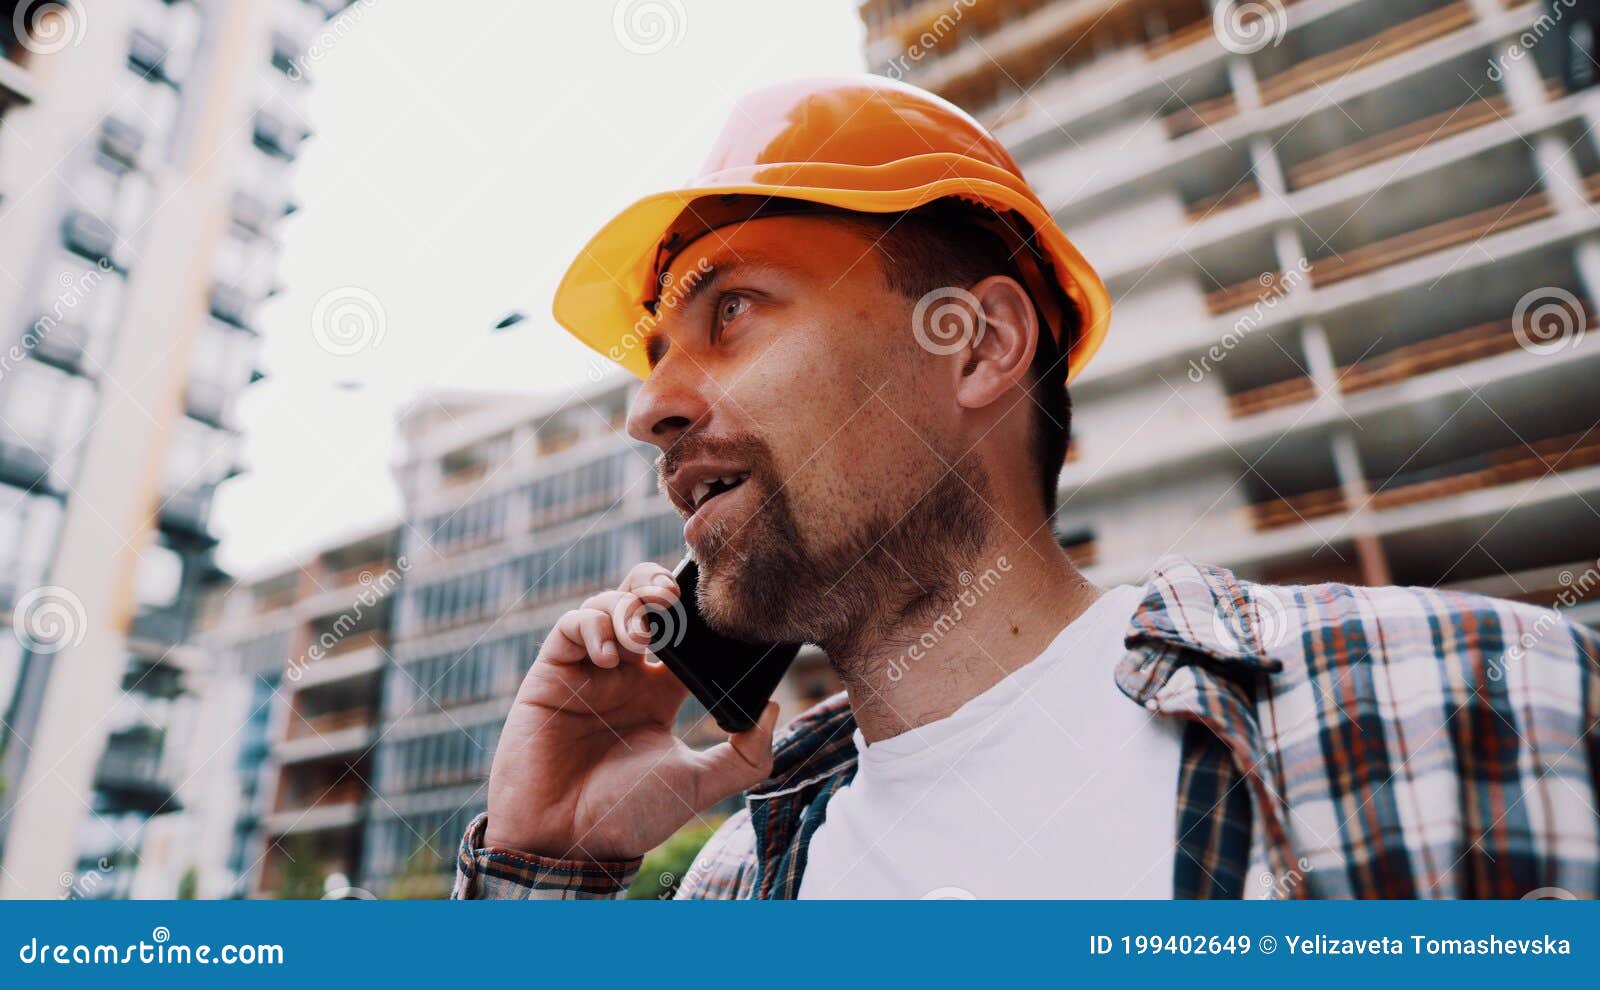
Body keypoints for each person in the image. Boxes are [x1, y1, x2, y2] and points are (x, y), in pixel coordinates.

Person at [454, 76, 1600, 900]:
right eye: (655, 353)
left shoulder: (1479, 703)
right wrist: (545, 865)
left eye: (732, 310)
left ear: (976, 344)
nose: (646, 408)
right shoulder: (736, 884)